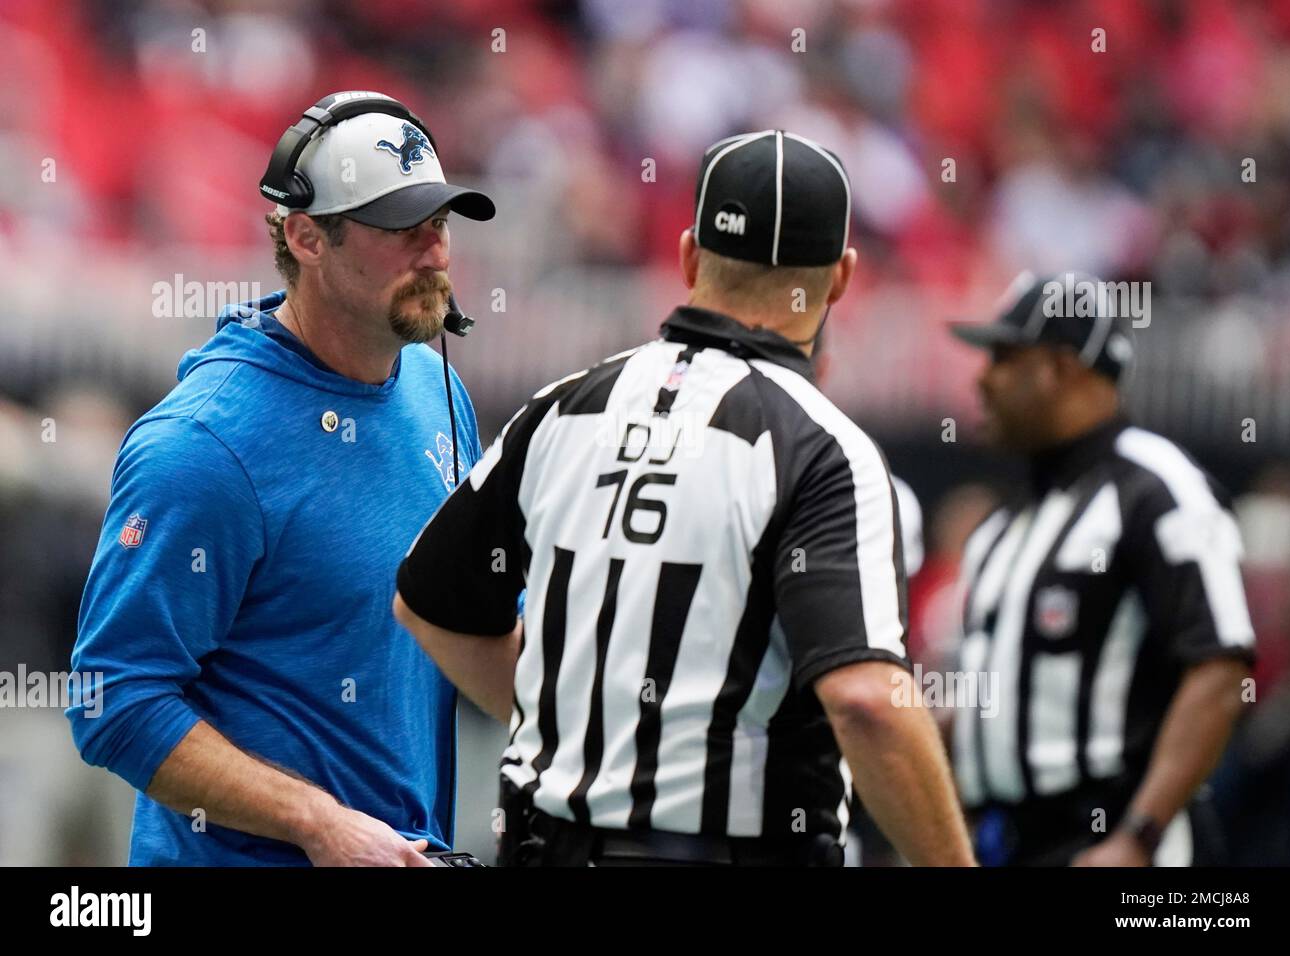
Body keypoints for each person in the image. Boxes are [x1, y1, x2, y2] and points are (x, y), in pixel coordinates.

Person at [395, 129, 974, 867]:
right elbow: (865, 700)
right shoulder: (822, 448)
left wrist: (586, 727)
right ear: (839, 279)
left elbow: (430, 604)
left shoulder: (564, 407)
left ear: (689, 256)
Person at [66, 91, 495, 866]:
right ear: (307, 237)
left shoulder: (436, 384)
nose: (434, 253)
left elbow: (477, 614)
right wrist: (317, 822)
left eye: (439, 222)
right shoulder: (202, 446)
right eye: (401, 227)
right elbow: (112, 700)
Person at [947, 271, 1256, 866]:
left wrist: (1137, 837)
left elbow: (1220, 669)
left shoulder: (1156, 489)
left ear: (1061, 368)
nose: (982, 379)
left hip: (1116, 841)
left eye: (1004, 357)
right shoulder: (1004, 527)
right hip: (1011, 843)